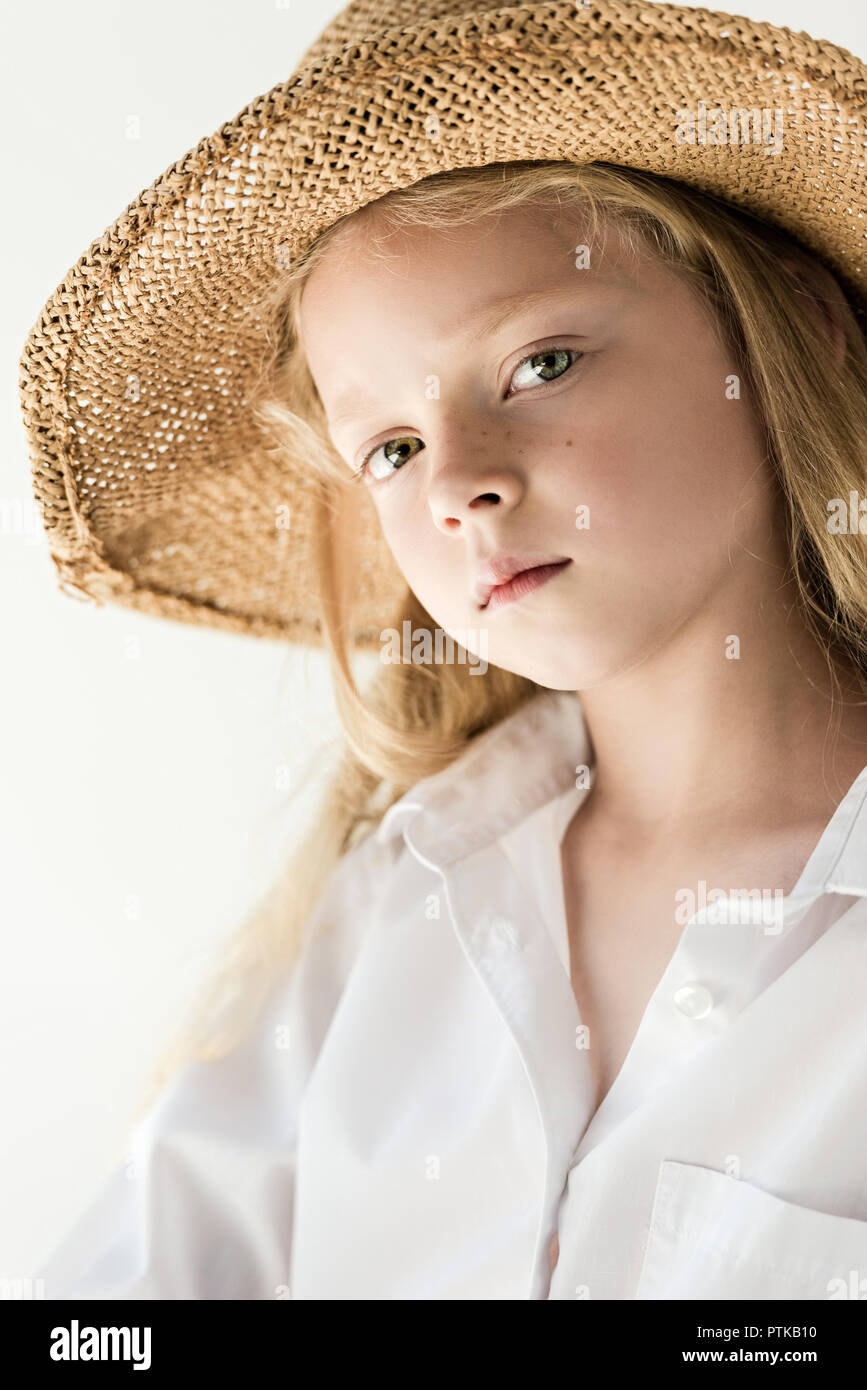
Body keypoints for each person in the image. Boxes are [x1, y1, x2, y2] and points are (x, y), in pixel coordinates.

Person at [21, 2, 867, 1299]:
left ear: (788, 330)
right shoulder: (395, 906)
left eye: (540, 363)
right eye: (395, 449)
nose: (461, 482)